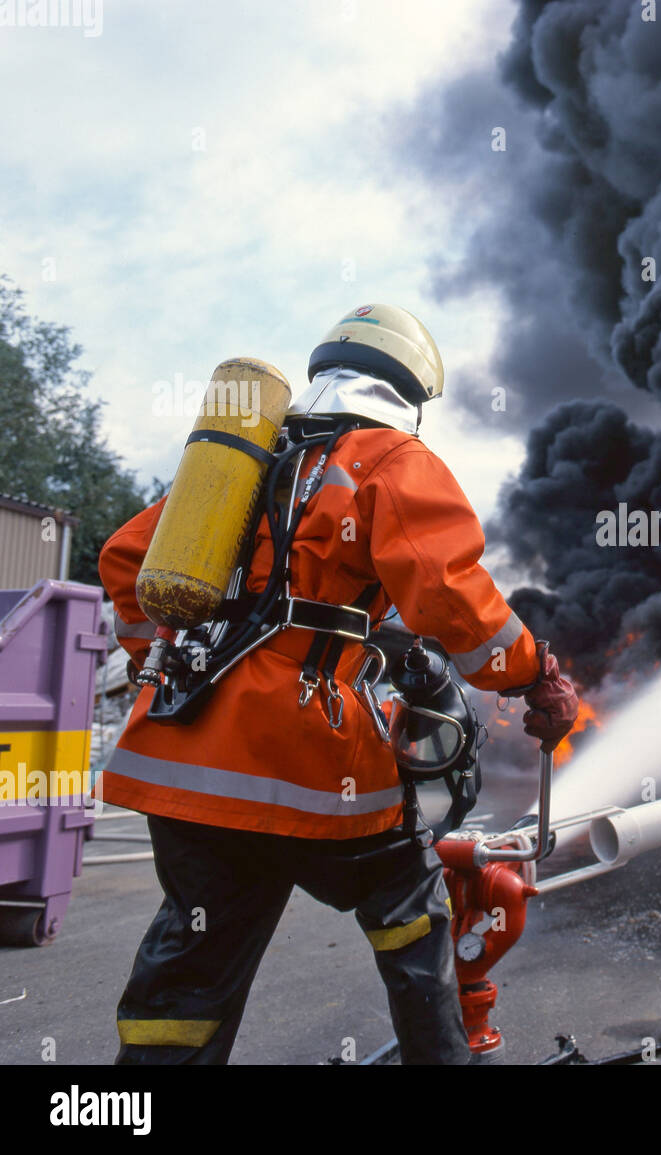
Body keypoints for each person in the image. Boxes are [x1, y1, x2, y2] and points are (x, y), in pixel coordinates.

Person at [98, 303, 580, 1064]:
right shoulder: (388, 459)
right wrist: (532, 673)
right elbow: (449, 594)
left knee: (192, 961)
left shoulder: (239, 468)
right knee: (412, 909)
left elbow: (128, 558)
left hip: (183, 761)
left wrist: (158, 656)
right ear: (411, 389)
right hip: (309, 762)